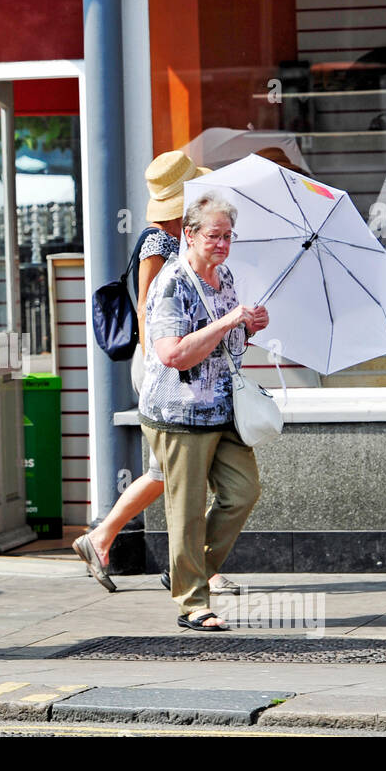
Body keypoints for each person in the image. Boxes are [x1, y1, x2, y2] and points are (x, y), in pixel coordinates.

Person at [72, 152, 241, 597]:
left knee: (167, 471)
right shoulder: (158, 243)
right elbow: (151, 313)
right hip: (164, 368)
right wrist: (161, 371)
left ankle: (108, 540)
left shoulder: (177, 240)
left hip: (179, 365)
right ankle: (189, 565)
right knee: (171, 471)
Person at [139, 191, 269, 631]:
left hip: (221, 407)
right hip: (178, 413)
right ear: (189, 234)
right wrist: (227, 321)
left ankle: (185, 568)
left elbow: (227, 349)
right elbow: (173, 354)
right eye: (214, 235)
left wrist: (247, 328)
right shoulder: (171, 282)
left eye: (229, 236)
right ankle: (194, 602)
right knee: (187, 509)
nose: (222, 244)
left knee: (243, 492)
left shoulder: (224, 276)